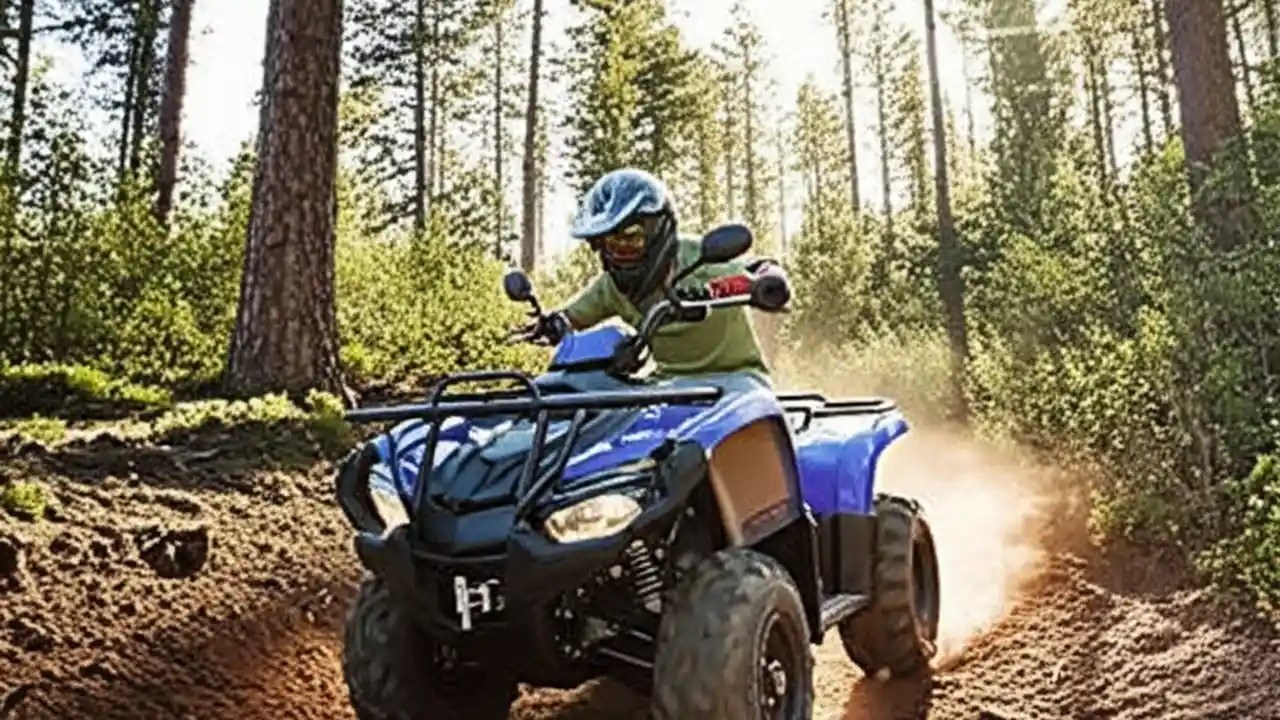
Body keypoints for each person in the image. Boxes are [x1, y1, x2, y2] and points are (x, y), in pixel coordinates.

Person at [522, 167, 788, 384]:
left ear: (659, 232)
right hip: (669, 386)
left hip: (737, 381)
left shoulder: (702, 260)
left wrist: (768, 282)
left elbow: (759, 268)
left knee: (752, 427)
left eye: (630, 239)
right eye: (608, 243)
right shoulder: (612, 287)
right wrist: (552, 325)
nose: (619, 252)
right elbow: (573, 317)